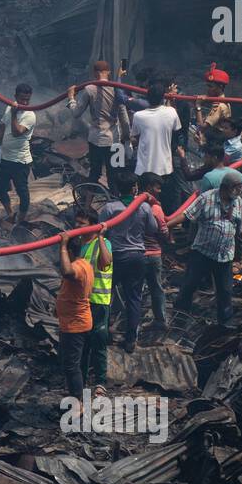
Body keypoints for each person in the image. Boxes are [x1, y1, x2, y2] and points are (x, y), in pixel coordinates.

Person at [174, 172, 242, 326]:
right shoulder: (206, 198)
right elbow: (187, 215)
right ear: (225, 187)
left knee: (225, 292)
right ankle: (179, 319)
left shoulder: (238, 203)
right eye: (237, 188)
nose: (239, 192)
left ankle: (225, 326)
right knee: (189, 285)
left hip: (224, 257)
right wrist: (167, 225)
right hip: (202, 253)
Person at [99, 171, 156, 354]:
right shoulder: (145, 208)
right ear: (135, 188)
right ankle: (130, 340)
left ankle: (104, 332)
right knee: (134, 298)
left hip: (115, 256)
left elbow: (101, 232)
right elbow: (152, 229)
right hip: (137, 257)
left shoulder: (109, 208)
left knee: (105, 295)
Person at [55, 228, 104, 407]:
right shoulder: (86, 264)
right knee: (75, 364)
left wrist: (62, 246)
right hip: (77, 321)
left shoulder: (77, 267)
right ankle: (78, 397)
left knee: (71, 366)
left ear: (69, 252)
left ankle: (78, 405)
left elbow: (67, 272)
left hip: (75, 324)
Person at [70, 60, 130, 185]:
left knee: (94, 173)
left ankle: (87, 204)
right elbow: (124, 117)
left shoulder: (89, 89)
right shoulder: (117, 89)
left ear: (94, 73)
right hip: (115, 140)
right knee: (116, 173)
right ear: (108, 72)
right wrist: (127, 138)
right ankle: (116, 201)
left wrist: (71, 98)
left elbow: (76, 113)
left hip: (95, 140)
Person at [0, 83, 36, 226]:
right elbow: (3, 128)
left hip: (20, 161)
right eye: (22, 99)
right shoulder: (9, 107)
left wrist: (15, 114)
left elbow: (17, 132)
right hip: (5, 158)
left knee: (22, 192)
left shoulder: (30, 115)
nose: (24, 103)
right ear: (15, 96)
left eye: (27, 100)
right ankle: (10, 213)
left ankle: (20, 220)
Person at [77, 208, 113, 391]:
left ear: (92, 226)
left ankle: (100, 382)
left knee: (98, 341)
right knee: (81, 344)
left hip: (98, 301)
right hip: (81, 302)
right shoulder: (78, 246)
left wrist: (100, 237)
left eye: (81, 224)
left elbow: (106, 262)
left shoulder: (103, 243)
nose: (77, 227)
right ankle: (80, 382)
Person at [129, 81, 181, 179]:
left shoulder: (138, 116)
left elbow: (135, 139)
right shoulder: (172, 112)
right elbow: (175, 127)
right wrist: (170, 98)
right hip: (165, 168)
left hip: (144, 168)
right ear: (162, 98)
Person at [139, 172, 170, 329]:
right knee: (156, 288)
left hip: (136, 254)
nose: (160, 191)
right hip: (153, 255)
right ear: (149, 188)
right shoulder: (156, 209)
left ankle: (132, 323)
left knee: (134, 290)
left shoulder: (133, 206)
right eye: (157, 188)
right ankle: (160, 320)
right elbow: (163, 231)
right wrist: (166, 240)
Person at [194, 63, 232, 144]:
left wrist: (198, 106)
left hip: (214, 142)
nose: (208, 90)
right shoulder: (222, 101)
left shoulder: (219, 105)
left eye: (210, 87)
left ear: (220, 87)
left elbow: (202, 127)